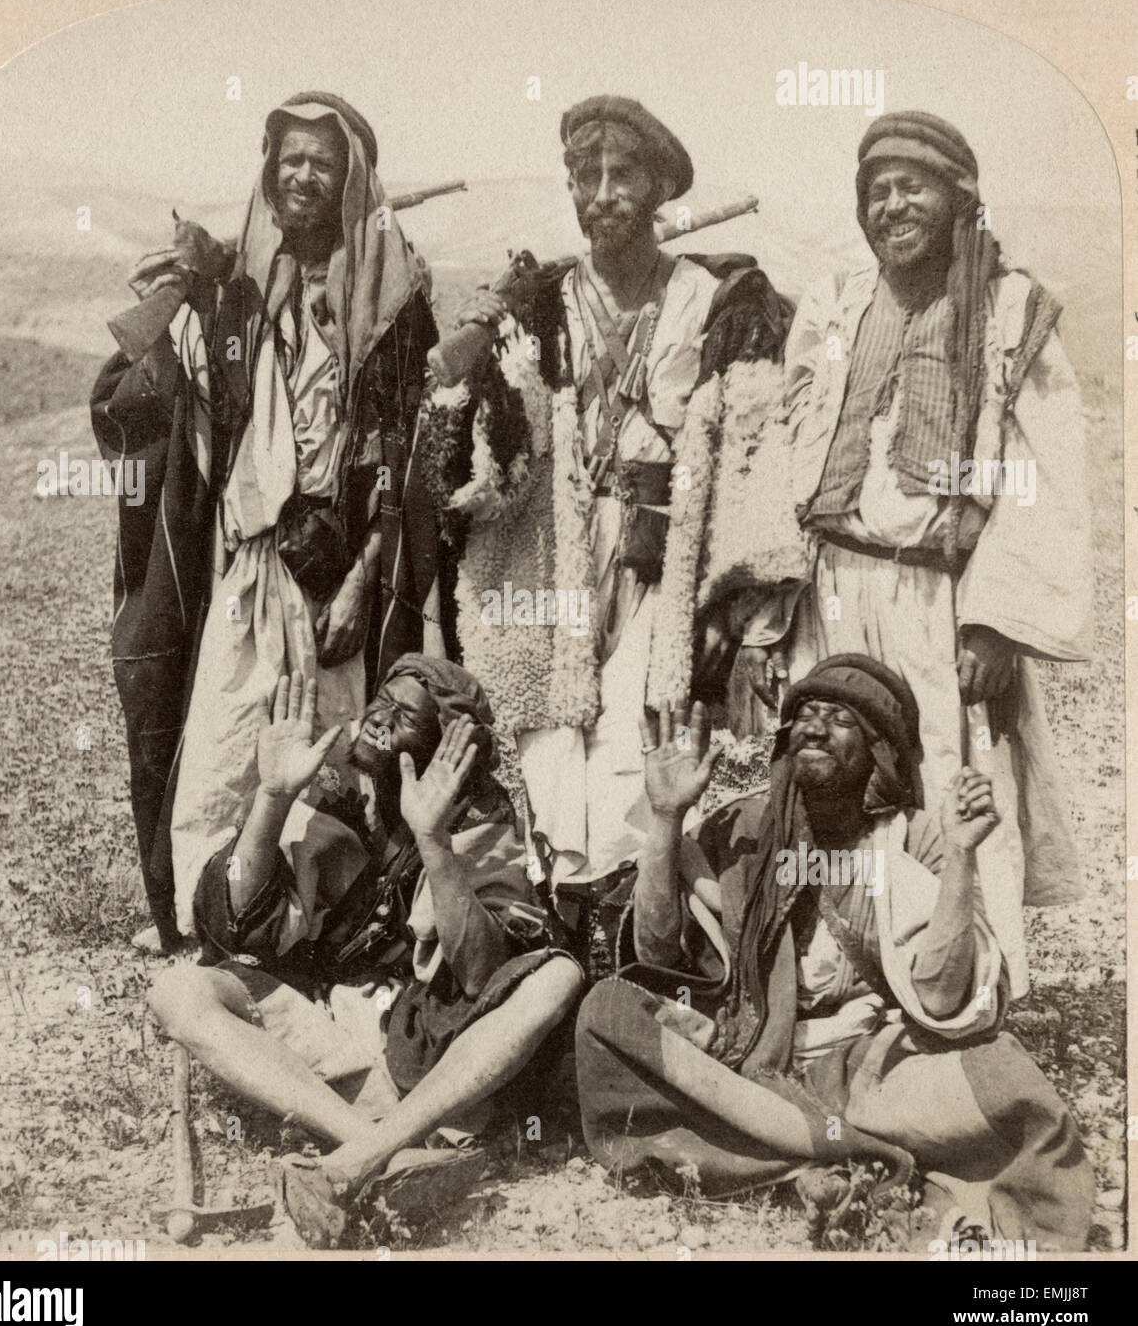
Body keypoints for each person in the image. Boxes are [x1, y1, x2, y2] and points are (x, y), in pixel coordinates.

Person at [725, 111, 1092, 996]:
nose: (893, 206)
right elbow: (787, 449)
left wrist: (997, 619)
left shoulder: (1010, 312)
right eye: (877, 191)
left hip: (941, 599)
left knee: (943, 773)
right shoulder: (837, 303)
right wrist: (768, 613)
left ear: (960, 197)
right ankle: (840, 965)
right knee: (834, 773)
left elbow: (1047, 473)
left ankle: (962, 972)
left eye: (912, 186)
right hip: (832, 587)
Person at [418, 94, 790, 964]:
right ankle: (557, 939)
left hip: (661, 555)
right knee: (551, 744)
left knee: (637, 741)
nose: (603, 193)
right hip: (557, 554)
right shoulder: (542, 304)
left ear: (661, 188)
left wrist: (744, 614)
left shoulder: (714, 301)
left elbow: (747, 450)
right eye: (586, 176)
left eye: (624, 175)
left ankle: (638, 945)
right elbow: (482, 454)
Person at [574, 655, 1094, 1251]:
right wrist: (666, 820)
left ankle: (798, 1151)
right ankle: (844, 1154)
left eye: (839, 718)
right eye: (804, 715)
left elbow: (945, 998)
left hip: (873, 1073)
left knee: (1004, 1077)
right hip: (745, 1062)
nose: (814, 729)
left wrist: (960, 860)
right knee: (605, 1015)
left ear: (880, 749)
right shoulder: (741, 828)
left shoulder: (915, 835)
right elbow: (658, 953)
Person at [91, 92, 450, 954]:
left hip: (339, 569)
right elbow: (163, 404)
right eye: (288, 157)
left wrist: (367, 575)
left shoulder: (394, 299)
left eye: (322, 161)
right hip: (248, 563)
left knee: (331, 747)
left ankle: (316, 922)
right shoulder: (239, 291)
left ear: (352, 178)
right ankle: (202, 912)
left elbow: (404, 460)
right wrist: (182, 290)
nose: (302, 175)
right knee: (222, 735)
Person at [148, 655, 583, 1248]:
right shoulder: (340, 787)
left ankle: (365, 1155)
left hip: (425, 1058)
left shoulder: (480, 818)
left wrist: (433, 841)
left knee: (556, 977)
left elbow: (487, 974)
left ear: (444, 749)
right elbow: (236, 926)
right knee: (177, 990)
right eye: (381, 703)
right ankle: (375, 1149)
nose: (380, 721)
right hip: (325, 1033)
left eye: (407, 717)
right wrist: (273, 796)